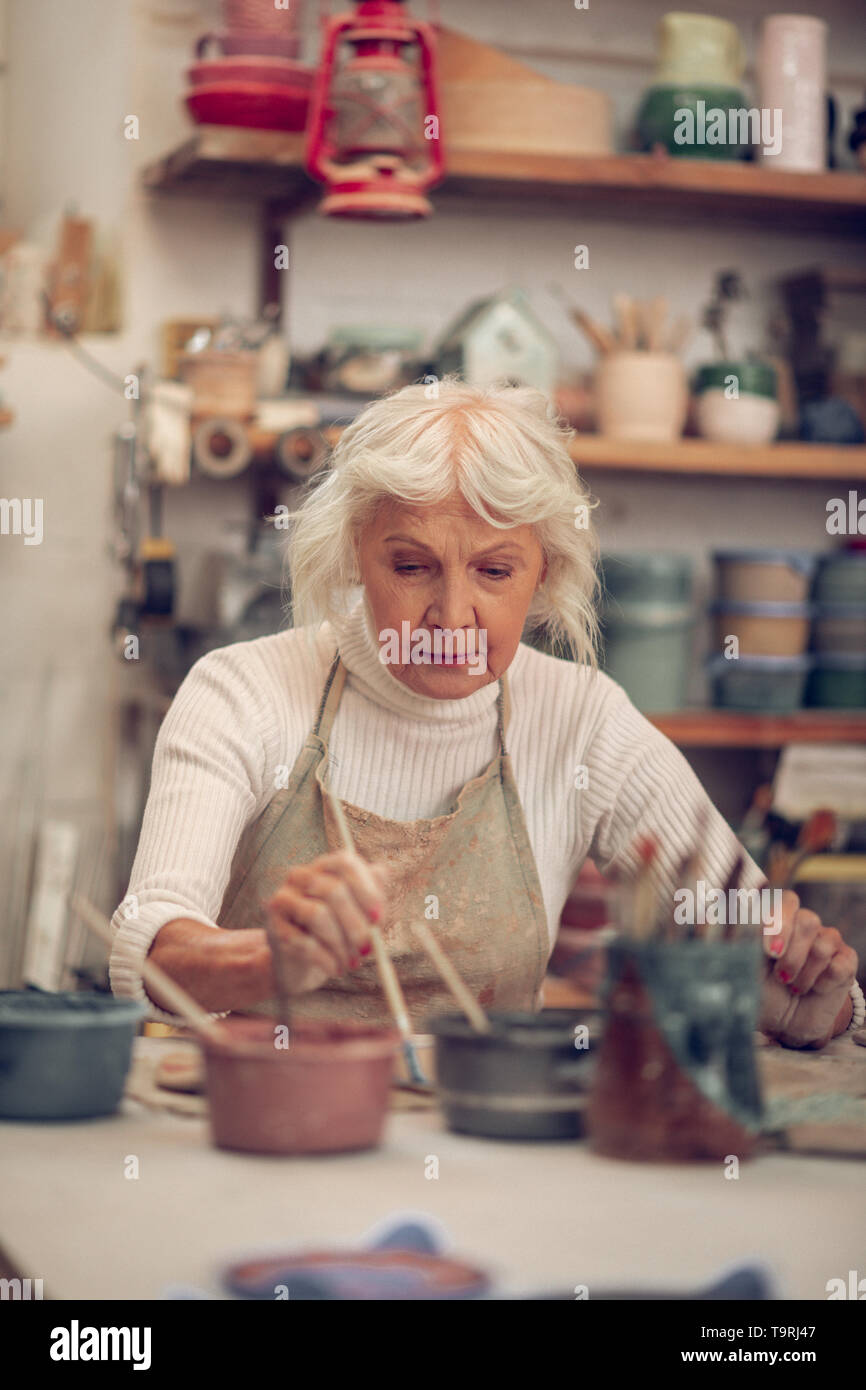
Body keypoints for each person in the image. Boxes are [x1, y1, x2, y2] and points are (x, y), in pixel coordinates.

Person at [110, 379, 861, 1048]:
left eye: (495, 571)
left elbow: (752, 949)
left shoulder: (583, 722)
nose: (451, 616)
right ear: (352, 554)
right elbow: (149, 946)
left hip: (492, 1141)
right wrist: (263, 958)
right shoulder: (244, 691)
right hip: (262, 1131)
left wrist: (804, 1005)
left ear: (545, 573)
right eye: (410, 566)